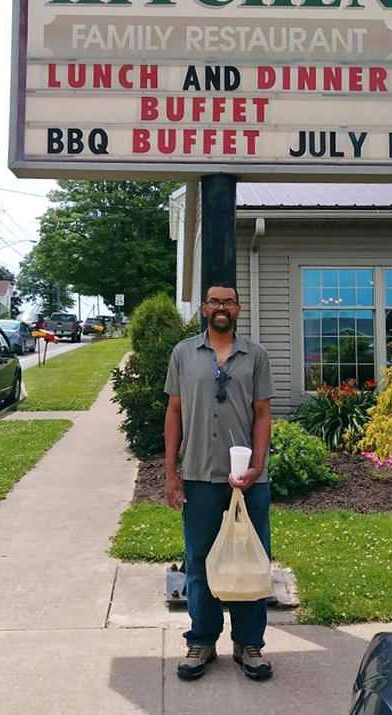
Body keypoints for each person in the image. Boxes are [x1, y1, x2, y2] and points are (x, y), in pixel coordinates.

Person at [164, 282, 275, 681]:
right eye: (214, 301)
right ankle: (203, 641)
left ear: (238, 310)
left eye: (228, 301)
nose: (221, 307)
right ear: (204, 309)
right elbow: (174, 413)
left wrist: (258, 467)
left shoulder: (255, 356)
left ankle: (249, 644)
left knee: (250, 558)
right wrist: (171, 472)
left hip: (246, 481)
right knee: (198, 560)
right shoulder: (184, 355)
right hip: (198, 475)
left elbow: (262, 414)